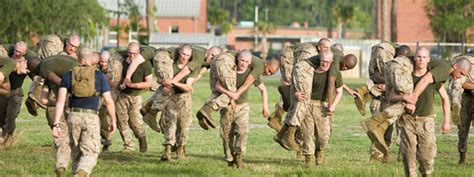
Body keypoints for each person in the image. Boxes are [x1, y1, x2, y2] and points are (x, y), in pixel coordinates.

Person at [52, 47, 116, 177]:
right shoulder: (99, 76)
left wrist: (56, 123)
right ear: (92, 59)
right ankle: (82, 173)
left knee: (76, 150)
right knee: (91, 151)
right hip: (91, 117)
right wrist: (113, 120)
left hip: (72, 116)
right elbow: (108, 101)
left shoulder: (68, 75)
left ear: (78, 58)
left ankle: (64, 168)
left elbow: (60, 101)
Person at [389, 47, 451, 177]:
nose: (421, 60)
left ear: (428, 60)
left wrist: (446, 121)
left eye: (424, 57)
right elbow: (391, 96)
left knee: (426, 157)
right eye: (419, 57)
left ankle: (426, 174)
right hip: (407, 121)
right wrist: (405, 97)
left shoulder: (433, 78)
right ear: (414, 58)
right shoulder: (407, 76)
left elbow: (445, 98)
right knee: (408, 156)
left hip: (426, 121)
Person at [214, 50, 270, 169]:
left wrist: (265, 108)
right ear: (238, 60)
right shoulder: (230, 70)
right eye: (242, 61)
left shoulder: (251, 74)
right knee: (226, 135)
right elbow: (217, 86)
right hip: (227, 107)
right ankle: (229, 158)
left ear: (250, 63)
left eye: (247, 62)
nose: (244, 64)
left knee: (242, 131)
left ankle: (238, 156)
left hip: (243, 107)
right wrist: (230, 95)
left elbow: (263, 90)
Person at [296, 50, 344, 167]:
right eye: (322, 61)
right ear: (319, 60)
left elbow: (339, 91)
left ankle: (319, 151)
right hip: (307, 104)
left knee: (323, 136)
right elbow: (296, 86)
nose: (324, 64)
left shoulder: (334, 73)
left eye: (327, 62)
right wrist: (296, 94)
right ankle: (309, 157)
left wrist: (333, 105)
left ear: (331, 62)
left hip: (322, 106)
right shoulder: (309, 71)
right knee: (307, 133)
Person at [160, 44, 200, 161]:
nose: (184, 57)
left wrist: (173, 82)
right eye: (183, 54)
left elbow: (188, 87)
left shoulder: (192, 68)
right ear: (179, 53)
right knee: (170, 124)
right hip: (171, 97)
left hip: (184, 99)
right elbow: (160, 79)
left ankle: (180, 148)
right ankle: (167, 149)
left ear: (190, 56)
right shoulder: (171, 65)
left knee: (184, 125)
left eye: (187, 55)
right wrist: (163, 81)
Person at [116, 42, 152, 153]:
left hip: (135, 97)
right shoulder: (122, 62)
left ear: (139, 52)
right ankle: (128, 145)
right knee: (121, 121)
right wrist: (120, 84)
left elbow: (148, 83)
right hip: (122, 96)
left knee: (135, 122)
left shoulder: (145, 64)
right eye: (129, 53)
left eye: (134, 54)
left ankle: (141, 137)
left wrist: (132, 85)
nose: (131, 56)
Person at [0, 42, 38, 143]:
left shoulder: (26, 63)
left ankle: (8, 138)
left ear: (25, 52)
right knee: (1, 115)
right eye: (16, 51)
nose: (17, 53)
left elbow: (35, 78)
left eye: (20, 52)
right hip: (3, 92)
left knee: (11, 116)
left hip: (15, 93)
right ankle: (2, 137)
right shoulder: (6, 59)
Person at [97, 50, 121, 151]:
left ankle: (108, 140)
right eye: (101, 61)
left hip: (111, 97)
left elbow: (116, 84)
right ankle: (105, 139)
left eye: (105, 62)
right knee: (99, 118)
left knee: (108, 119)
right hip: (100, 97)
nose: (103, 64)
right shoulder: (97, 69)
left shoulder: (114, 70)